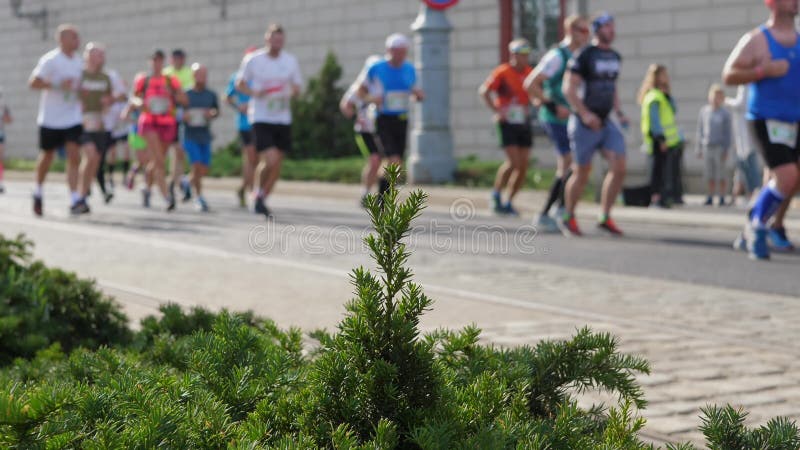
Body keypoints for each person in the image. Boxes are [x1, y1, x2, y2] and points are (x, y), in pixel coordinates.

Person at [723, 0, 799, 259]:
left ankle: (755, 220)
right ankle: (756, 226)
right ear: (772, 3)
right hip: (765, 119)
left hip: (794, 121)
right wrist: (762, 70)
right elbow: (729, 74)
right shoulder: (757, 39)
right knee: (787, 177)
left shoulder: (799, 40)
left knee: (788, 180)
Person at [562, 12, 629, 236]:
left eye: (613, 26)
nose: (612, 30)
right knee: (582, 172)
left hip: (606, 120)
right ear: (597, 30)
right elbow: (569, 89)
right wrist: (584, 114)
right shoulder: (584, 55)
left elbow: (612, 88)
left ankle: (605, 216)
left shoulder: (615, 57)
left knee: (619, 167)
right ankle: (569, 216)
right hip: (584, 122)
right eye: (607, 26)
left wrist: (619, 112)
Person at [526, 15, 590, 230]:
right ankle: (548, 213)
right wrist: (552, 105)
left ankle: (556, 210)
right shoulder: (557, 55)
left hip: (572, 118)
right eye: (583, 30)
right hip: (555, 118)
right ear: (571, 30)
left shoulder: (580, 55)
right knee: (568, 161)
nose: (587, 35)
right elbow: (531, 84)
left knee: (571, 164)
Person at [236, 24, 303, 218]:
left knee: (277, 164)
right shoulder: (253, 60)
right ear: (267, 39)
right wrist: (254, 92)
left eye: (280, 40)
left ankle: (261, 197)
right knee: (270, 157)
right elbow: (240, 84)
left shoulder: (290, 61)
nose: (277, 43)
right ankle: (256, 192)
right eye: (274, 39)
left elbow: (297, 87)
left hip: (282, 117)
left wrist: (288, 93)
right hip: (261, 116)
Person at [28, 24, 84, 216]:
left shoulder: (79, 62)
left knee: (74, 154)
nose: (77, 41)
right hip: (51, 118)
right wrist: (58, 84)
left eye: (78, 37)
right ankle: (38, 190)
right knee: (47, 156)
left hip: (72, 116)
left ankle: (75, 198)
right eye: (74, 37)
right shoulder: (50, 60)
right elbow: (33, 83)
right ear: (62, 39)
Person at [362, 33, 424, 205]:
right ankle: (382, 201)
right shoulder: (376, 68)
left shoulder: (410, 69)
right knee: (393, 159)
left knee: (395, 165)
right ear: (389, 50)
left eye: (403, 52)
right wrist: (373, 99)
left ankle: (381, 196)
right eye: (396, 51)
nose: (400, 55)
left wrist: (418, 95)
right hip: (381, 119)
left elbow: (416, 91)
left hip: (401, 119)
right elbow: (361, 92)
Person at [479, 39, 534, 216]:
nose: (524, 58)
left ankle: (509, 200)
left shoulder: (529, 72)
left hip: (523, 121)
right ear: (513, 55)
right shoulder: (502, 72)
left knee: (523, 165)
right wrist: (497, 110)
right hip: (507, 122)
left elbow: (535, 92)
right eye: (521, 54)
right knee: (514, 162)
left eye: (527, 55)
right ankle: (496, 194)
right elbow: (484, 91)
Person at [132, 49, 187, 211]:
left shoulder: (171, 81)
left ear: (163, 63)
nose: (156, 64)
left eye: (159, 61)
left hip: (167, 123)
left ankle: (146, 188)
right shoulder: (144, 80)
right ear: (150, 62)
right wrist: (139, 103)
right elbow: (134, 98)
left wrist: (173, 95)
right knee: (160, 161)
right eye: (153, 60)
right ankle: (167, 197)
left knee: (157, 161)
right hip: (149, 122)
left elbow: (184, 99)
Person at [638, 64, 685, 208]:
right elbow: (654, 120)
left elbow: (673, 110)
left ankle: (665, 197)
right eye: (664, 74)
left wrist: (668, 95)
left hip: (668, 140)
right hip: (658, 139)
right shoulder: (654, 96)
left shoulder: (662, 94)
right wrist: (661, 139)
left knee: (665, 171)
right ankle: (656, 199)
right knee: (657, 171)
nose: (667, 77)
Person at [76, 42, 116, 213]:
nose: (102, 58)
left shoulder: (105, 78)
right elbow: (70, 95)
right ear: (89, 56)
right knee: (90, 155)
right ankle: (79, 196)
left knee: (96, 160)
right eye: (99, 55)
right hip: (80, 122)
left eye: (103, 55)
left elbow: (110, 98)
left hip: (99, 123)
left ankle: (83, 194)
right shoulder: (79, 75)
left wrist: (109, 102)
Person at [340, 54, 382, 207]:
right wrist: (355, 117)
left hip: (382, 130)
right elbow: (345, 105)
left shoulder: (382, 84)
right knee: (374, 160)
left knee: (384, 163)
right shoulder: (358, 87)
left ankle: (382, 195)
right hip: (364, 131)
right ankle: (365, 193)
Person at [183, 63, 219, 212]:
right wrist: (185, 116)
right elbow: (178, 113)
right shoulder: (186, 94)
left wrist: (211, 114)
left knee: (204, 169)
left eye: (204, 74)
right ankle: (199, 198)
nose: (201, 77)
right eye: (198, 74)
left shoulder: (211, 95)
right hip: (190, 135)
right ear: (193, 75)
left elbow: (216, 111)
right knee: (196, 165)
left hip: (205, 135)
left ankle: (186, 181)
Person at [226, 46, 258, 208]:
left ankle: (243, 188)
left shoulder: (260, 76)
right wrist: (239, 106)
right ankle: (253, 192)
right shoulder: (237, 77)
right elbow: (227, 97)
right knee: (251, 157)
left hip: (260, 122)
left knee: (256, 159)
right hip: (245, 123)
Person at [163, 49, 194, 202]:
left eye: (181, 58)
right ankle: (176, 182)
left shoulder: (189, 72)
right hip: (167, 116)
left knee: (179, 151)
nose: (178, 61)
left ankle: (177, 182)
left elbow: (188, 96)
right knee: (173, 152)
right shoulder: (166, 74)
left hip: (182, 114)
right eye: (175, 58)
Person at [695, 84, 732, 207]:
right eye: (714, 96)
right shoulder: (704, 111)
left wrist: (726, 149)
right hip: (707, 146)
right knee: (709, 173)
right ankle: (710, 196)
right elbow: (700, 130)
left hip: (719, 147)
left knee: (721, 173)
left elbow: (727, 133)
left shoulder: (725, 113)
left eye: (718, 96)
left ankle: (722, 197)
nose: (715, 99)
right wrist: (698, 147)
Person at [726, 85, 763, 206]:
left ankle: (755, 193)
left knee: (751, 168)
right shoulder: (746, 85)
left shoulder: (746, 85)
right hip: (743, 138)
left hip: (747, 137)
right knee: (744, 168)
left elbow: (740, 104)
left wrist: (727, 101)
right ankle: (748, 194)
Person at [103, 69, 130, 199]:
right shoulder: (111, 99)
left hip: (123, 129)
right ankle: (110, 176)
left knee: (126, 150)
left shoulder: (126, 98)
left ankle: (125, 176)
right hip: (113, 129)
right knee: (112, 153)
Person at [0, 87, 11, 194]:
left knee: (0, 159)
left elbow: (9, 120)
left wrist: (4, 116)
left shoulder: (3, 107)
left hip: (0, 134)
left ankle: (0, 182)